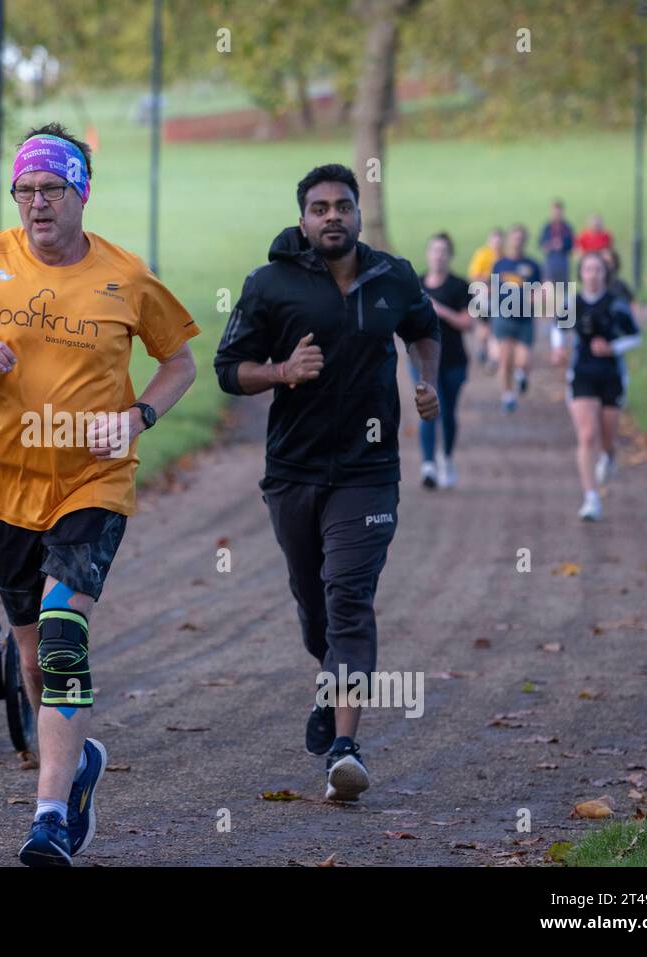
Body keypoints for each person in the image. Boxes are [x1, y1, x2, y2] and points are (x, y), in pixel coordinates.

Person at [0, 123, 198, 865]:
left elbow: (180, 362)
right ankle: (76, 770)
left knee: (65, 637)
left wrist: (139, 416)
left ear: (82, 193)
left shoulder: (127, 276)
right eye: (25, 189)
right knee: (33, 661)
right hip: (5, 483)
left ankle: (48, 819)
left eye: (52, 189)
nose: (37, 203)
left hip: (92, 481)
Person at [213, 163, 440, 803]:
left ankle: (346, 747)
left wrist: (425, 381)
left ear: (359, 214)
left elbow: (425, 330)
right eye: (320, 208)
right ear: (304, 219)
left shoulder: (391, 276)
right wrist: (284, 370)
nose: (333, 216)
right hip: (294, 470)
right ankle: (331, 681)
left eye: (344, 205)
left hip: (369, 472)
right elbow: (229, 370)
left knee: (348, 597)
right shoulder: (271, 285)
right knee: (315, 608)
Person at [551, 251, 641, 521]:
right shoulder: (573, 303)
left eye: (598, 270)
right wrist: (558, 348)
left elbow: (636, 336)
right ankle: (591, 499)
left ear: (605, 274)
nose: (592, 275)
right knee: (587, 435)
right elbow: (558, 327)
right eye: (588, 270)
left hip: (612, 375)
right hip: (581, 374)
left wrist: (612, 347)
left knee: (606, 436)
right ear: (581, 274)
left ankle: (609, 456)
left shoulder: (616, 304)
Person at [412, 233, 473, 490]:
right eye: (434, 250)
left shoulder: (460, 286)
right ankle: (428, 465)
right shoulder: (415, 284)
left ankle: (446, 459)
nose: (438, 255)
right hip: (422, 362)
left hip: (454, 361)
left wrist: (441, 311)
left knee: (447, 412)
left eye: (443, 251)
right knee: (428, 410)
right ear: (428, 253)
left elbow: (467, 323)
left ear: (449, 255)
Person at [491, 224, 543, 411]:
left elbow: (540, 290)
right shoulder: (499, 265)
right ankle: (507, 396)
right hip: (504, 318)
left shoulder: (533, 266)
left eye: (521, 239)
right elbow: (493, 289)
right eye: (515, 238)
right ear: (509, 240)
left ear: (525, 241)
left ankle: (522, 376)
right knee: (504, 358)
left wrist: (537, 298)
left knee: (524, 360)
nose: (517, 242)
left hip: (524, 319)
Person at [466, 227, 502, 371]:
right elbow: (474, 275)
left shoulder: (503, 256)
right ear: (489, 241)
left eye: (499, 242)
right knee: (485, 327)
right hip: (484, 296)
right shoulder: (482, 254)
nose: (496, 245)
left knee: (494, 328)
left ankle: (493, 359)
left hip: (499, 298)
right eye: (494, 241)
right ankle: (482, 348)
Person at [538, 199, 574, 285]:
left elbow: (572, 245)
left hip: (563, 262)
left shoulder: (567, 227)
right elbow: (541, 244)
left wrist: (562, 245)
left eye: (558, 212)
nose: (556, 214)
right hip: (550, 262)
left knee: (562, 288)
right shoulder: (546, 227)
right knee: (549, 288)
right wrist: (550, 245)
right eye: (554, 212)